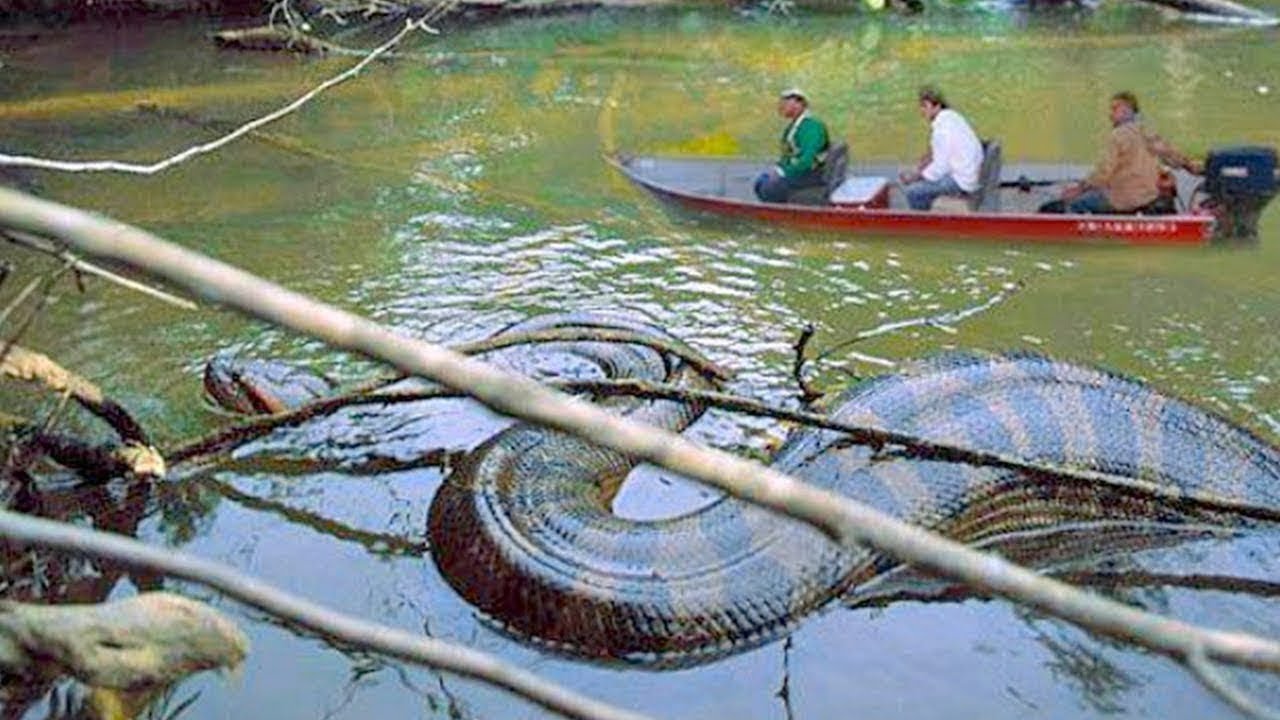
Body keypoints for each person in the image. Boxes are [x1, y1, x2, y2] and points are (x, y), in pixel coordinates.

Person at [1042, 91, 1202, 214]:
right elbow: (1172, 156)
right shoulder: (1148, 131)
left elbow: (1103, 172)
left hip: (1123, 198)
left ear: (1126, 111)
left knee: (1077, 203)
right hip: (1148, 195)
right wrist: (1189, 166)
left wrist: (1078, 189)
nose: (1110, 114)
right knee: (1096, 191)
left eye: (1114, 109)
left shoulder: (1117, 136)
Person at [898, 87, 985, 211]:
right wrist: (920, 168)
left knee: (913, 192)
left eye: (925, 106)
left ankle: (923, 224)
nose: (922, 111)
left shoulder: (942, 130)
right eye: (921, 106)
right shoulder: (952, 117)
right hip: (970, 173)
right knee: (923, 181)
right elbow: (934, 152)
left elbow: (940, 168)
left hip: (961, 180)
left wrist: (916, 177)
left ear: (937, 106)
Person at [754, 88, 832, 204]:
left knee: (769, 188)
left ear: (799, 103)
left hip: (811, 174)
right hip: (796, 173)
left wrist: (784, 172)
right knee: (761, 181)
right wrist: (778, 169)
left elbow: (807, 161)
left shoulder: (812, 126)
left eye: (785, 103)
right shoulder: (793, 127)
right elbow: (788, 155)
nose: (781, 107)